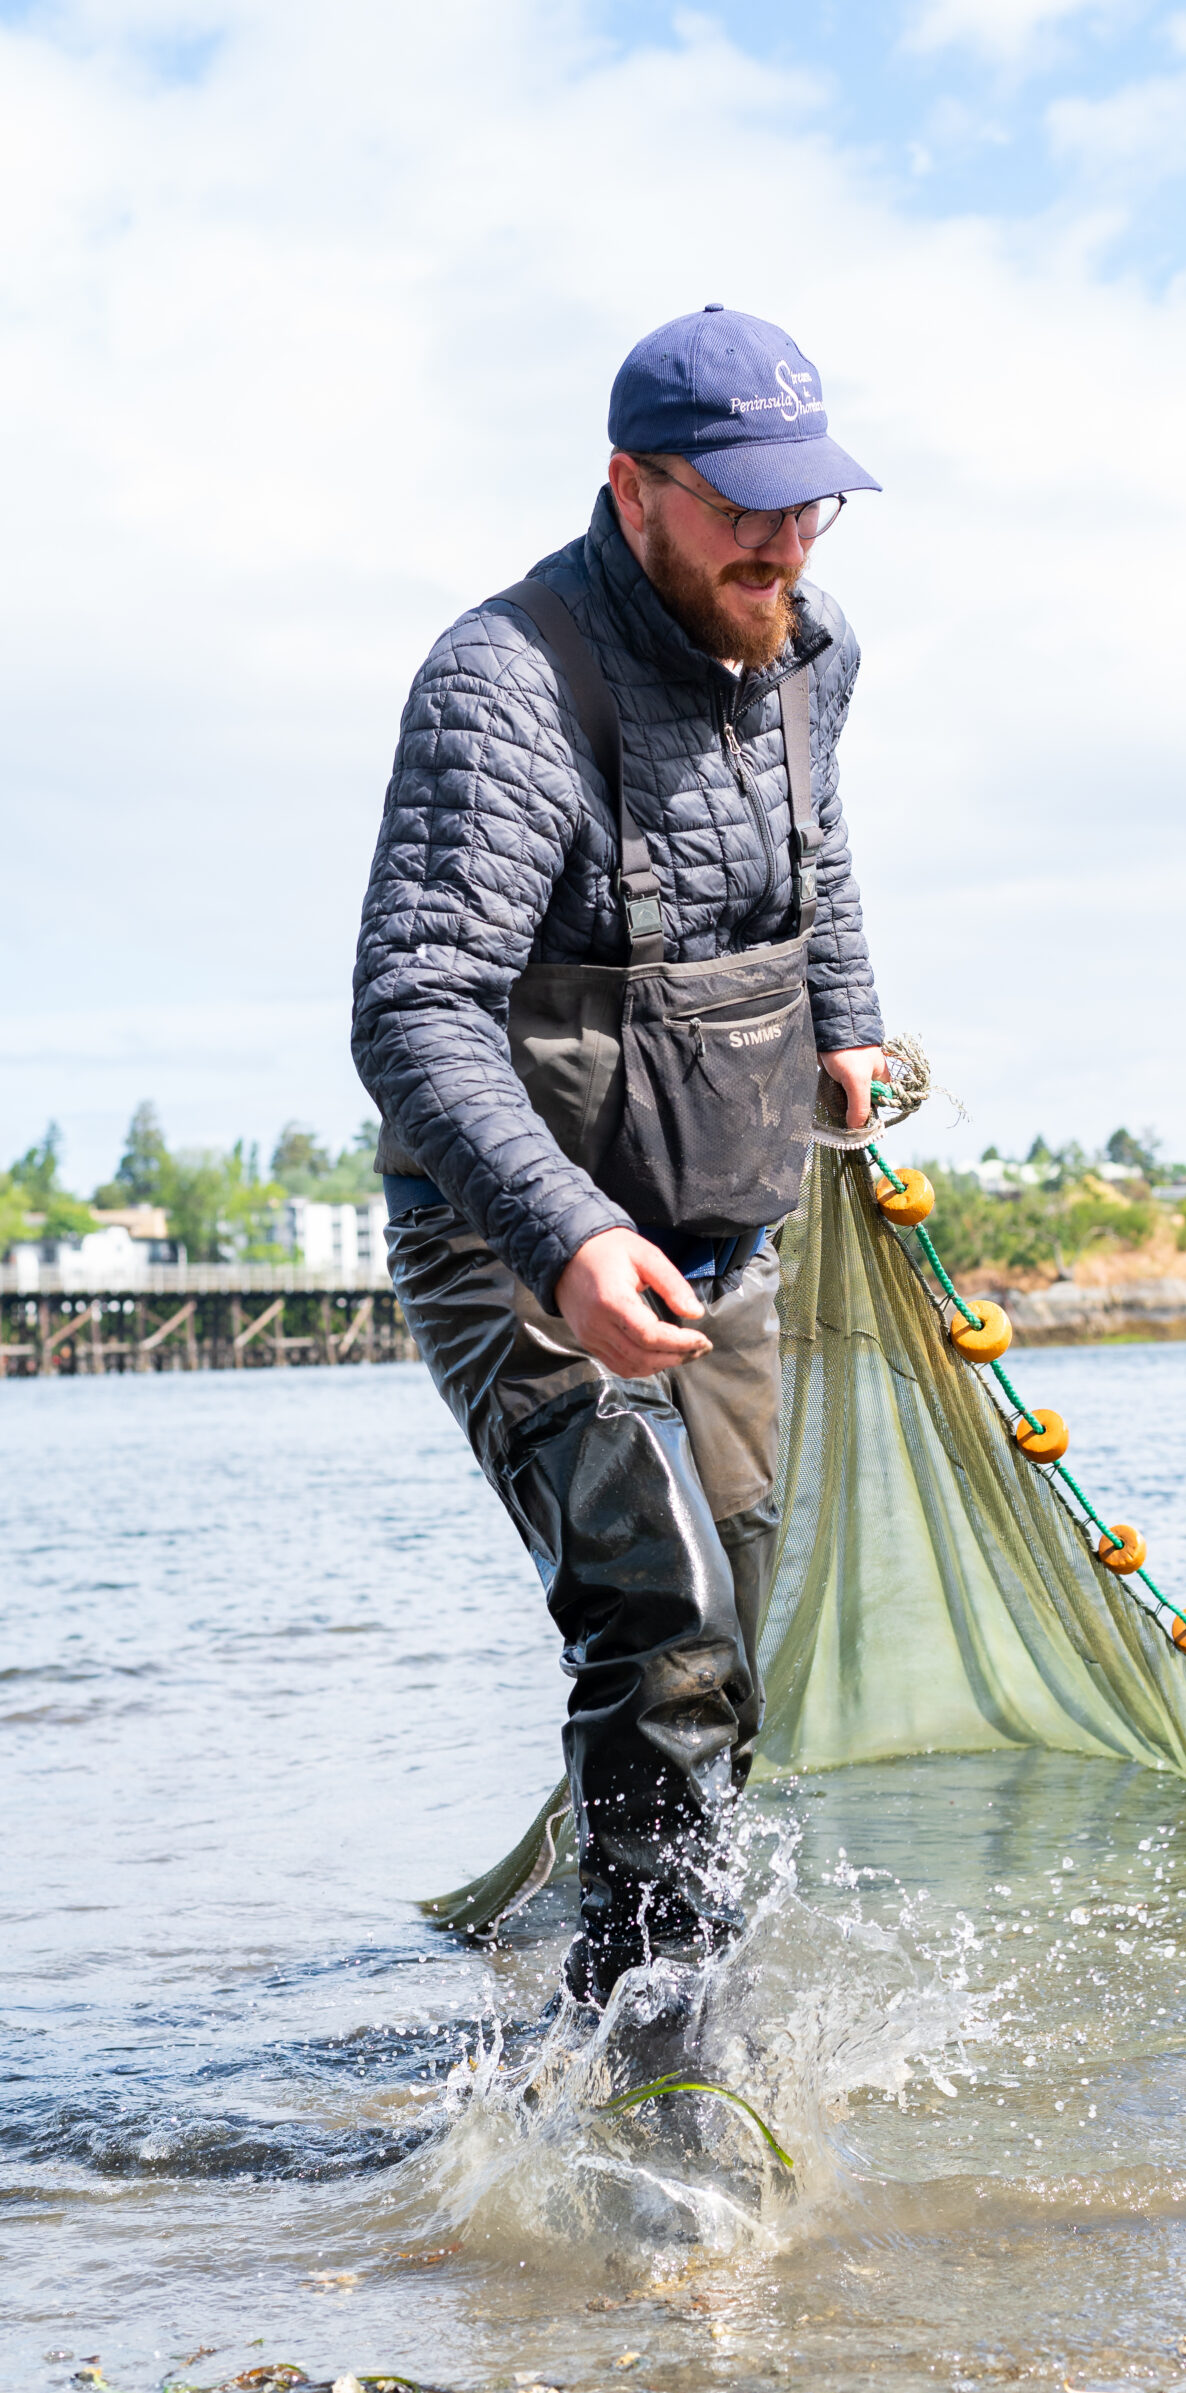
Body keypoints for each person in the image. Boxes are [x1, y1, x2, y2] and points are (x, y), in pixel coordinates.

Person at [351, 306, 885, 2011]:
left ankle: (649, 2002)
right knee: (657, 1622)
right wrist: (570, 1238)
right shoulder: (504, 687)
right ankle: (662, 2087)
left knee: (732, 1642)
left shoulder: (812, 650)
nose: (781, 543)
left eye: (807, 506)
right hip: (515, 1246)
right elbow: (412, 1007)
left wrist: (850, 1015)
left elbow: (817, 853)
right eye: (741, 507)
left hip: (726, 1244)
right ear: (631, 487)